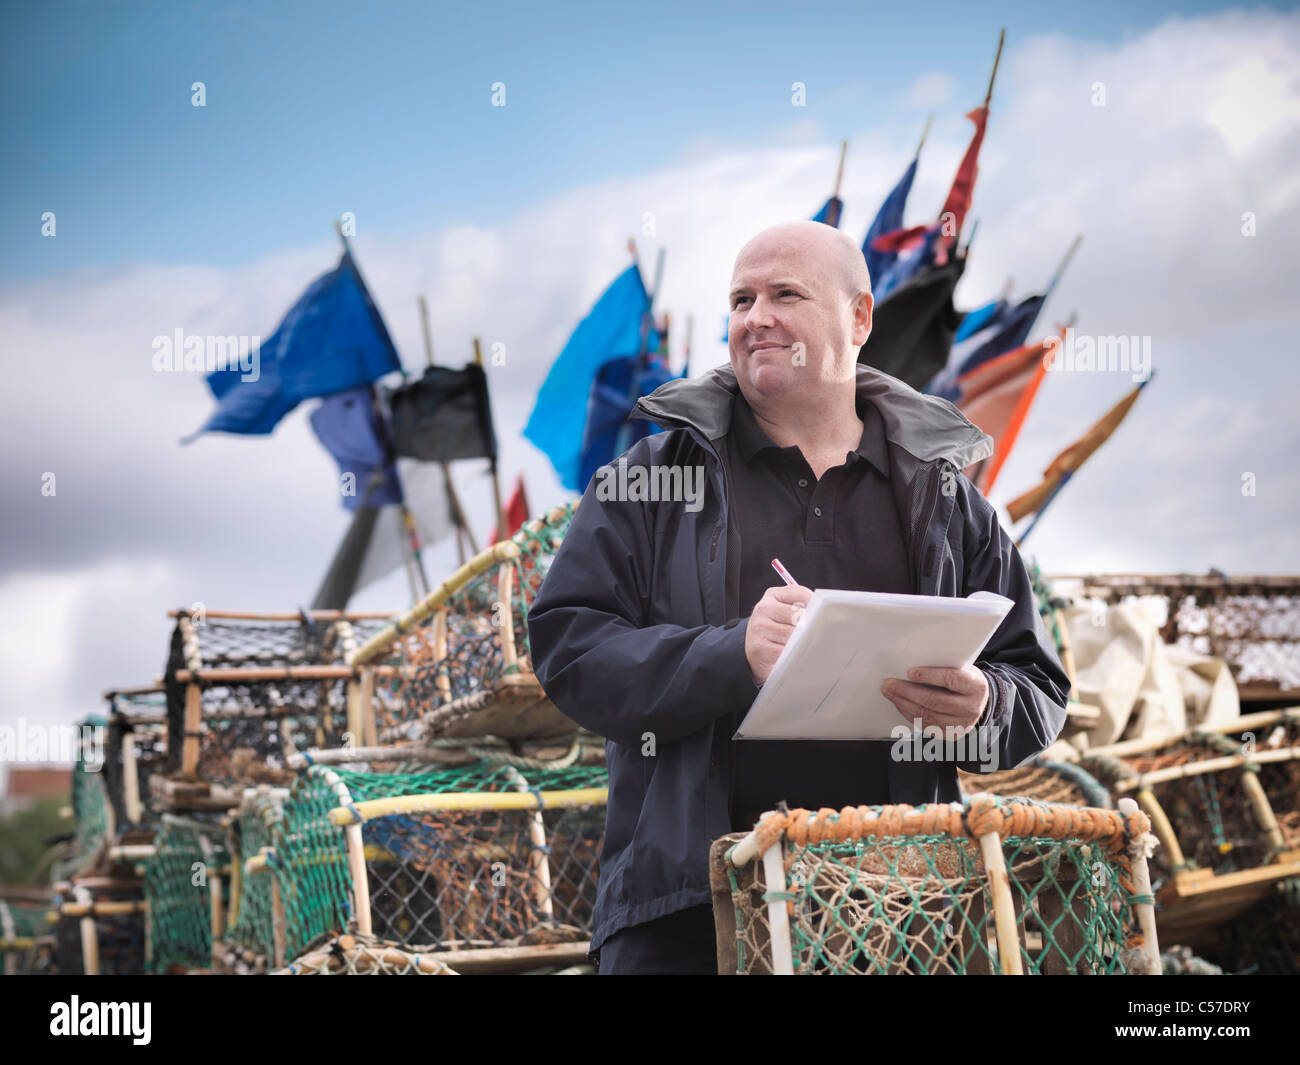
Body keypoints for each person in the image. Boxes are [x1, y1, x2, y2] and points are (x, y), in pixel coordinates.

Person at [526, 220, 1070, 975]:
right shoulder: (649, 477)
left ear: (859, 317)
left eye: (785, 293)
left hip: (896, 917)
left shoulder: (949, 496)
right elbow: (568, 647)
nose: (756, 317)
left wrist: (984, 706)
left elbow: (1039, 686)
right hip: (684, 921)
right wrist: (730, 652)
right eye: (741, 298)